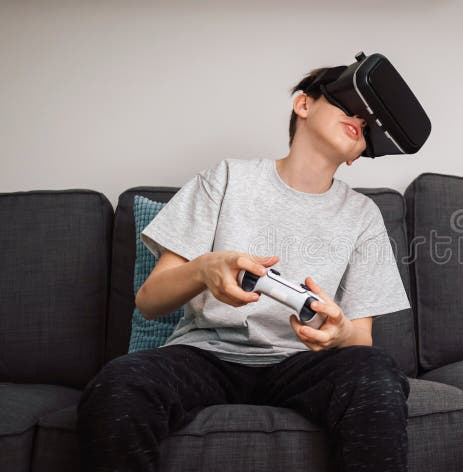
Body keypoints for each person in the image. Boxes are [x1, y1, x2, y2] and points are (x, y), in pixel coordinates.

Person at [76, 65, 413, 472]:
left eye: (368, 121)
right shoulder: (227, 178)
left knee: (376, 371)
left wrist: (340, 331)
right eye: (350, 105)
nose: (360, 119)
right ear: (303, 104)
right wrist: (205, 268)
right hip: (206, 355)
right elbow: (149, 301)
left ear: (360, 155)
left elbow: (360, 340)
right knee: (118, 382)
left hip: (300, 363)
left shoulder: (363, 215)